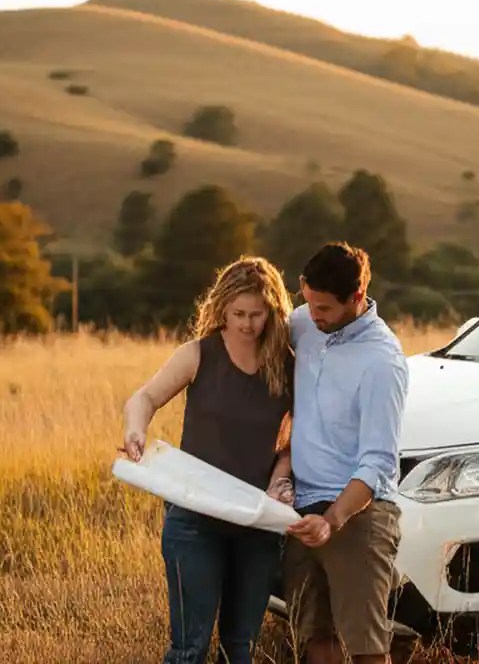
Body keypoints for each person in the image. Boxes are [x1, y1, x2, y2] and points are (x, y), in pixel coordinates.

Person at [121, 255, 297, 664]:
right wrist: (135, 429)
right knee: (189, 648)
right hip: (194, 520)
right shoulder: (198, 354)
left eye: (257, 314)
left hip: (256, 520)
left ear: (273, 311)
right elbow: (144, 398)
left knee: (240, 649)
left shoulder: (288, 364)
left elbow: (292, 442)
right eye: (238, 314)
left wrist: (280, 478)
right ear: (222, 308)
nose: (248, 324)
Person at [280, 242, 409, 664]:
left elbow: (378, 463)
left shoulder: (382, 362)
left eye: (325, 309)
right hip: (300, 509)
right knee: (314, 641)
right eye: (309, 302)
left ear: (357, 297)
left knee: (366, 650)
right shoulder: (305, 322)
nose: (314, 316)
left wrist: (332, 519)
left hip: (357, 515)